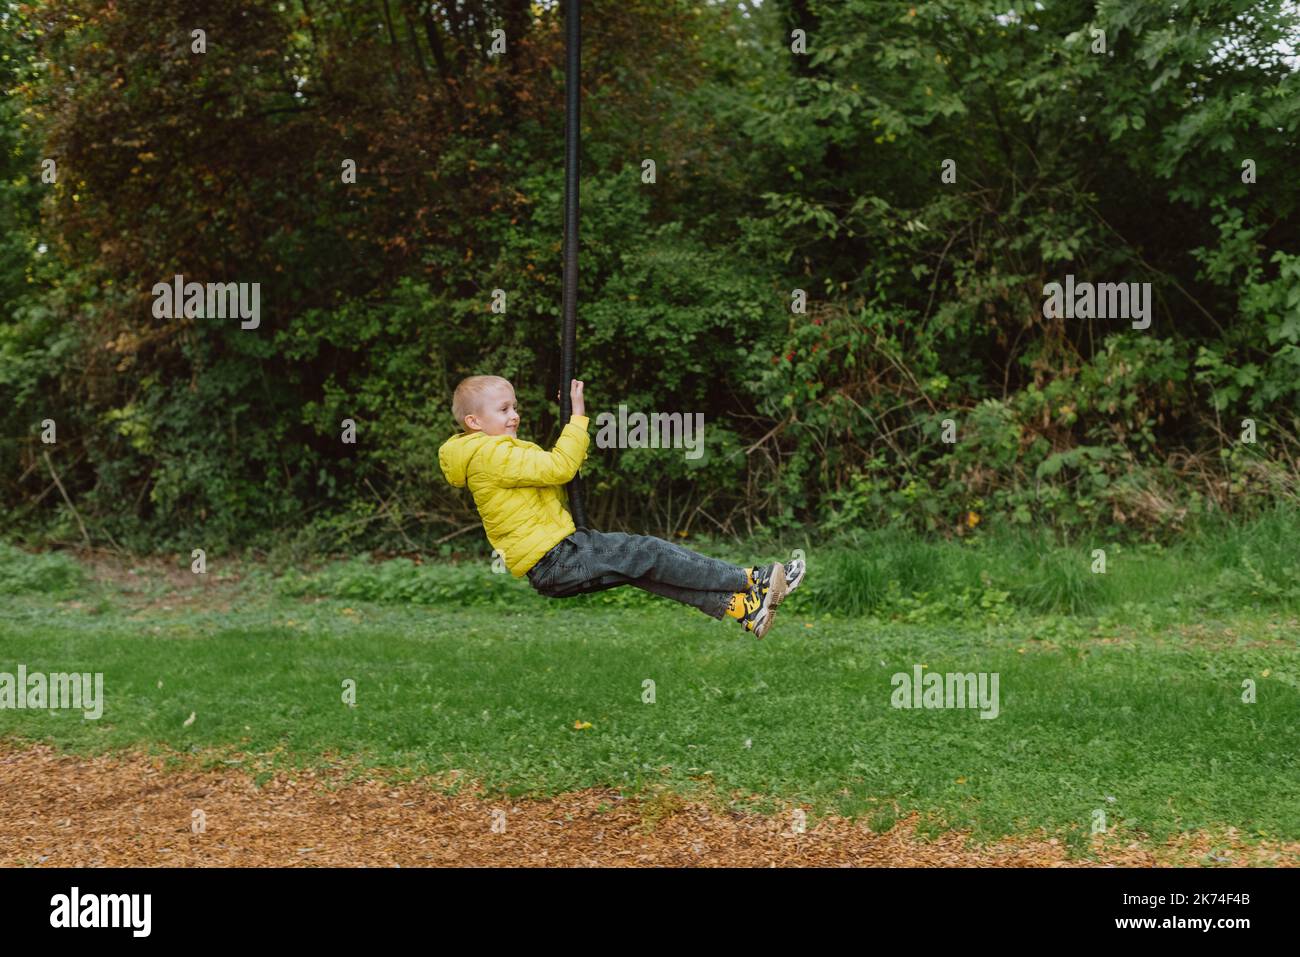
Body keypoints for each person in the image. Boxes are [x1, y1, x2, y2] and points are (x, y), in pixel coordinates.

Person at [437, 374, 805, 637]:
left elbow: (549, 482)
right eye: (503, 409)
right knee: (650, 552)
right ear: (474, 421)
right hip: (556, 557)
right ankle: (751, 579)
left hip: (557, 559)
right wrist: (578, 418)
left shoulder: (490, 453)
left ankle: (743, 608)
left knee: (646, 569)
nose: (514, 415)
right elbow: (560, 468)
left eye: (515, 406)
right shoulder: (490, 454)